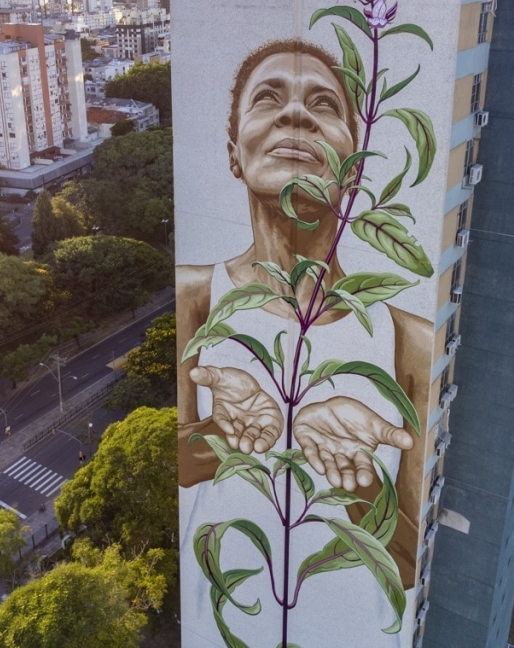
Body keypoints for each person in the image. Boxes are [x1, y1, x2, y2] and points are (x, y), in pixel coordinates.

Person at [177, 40, 433, 644]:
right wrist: (231, 435)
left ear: (354, 163)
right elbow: (177, 469)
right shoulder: (192, 299)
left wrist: (363, 481)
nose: (296, 115)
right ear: (234, 152)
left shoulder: (408, 342)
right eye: (268, 98)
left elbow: (413, 562)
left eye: (325, 104)